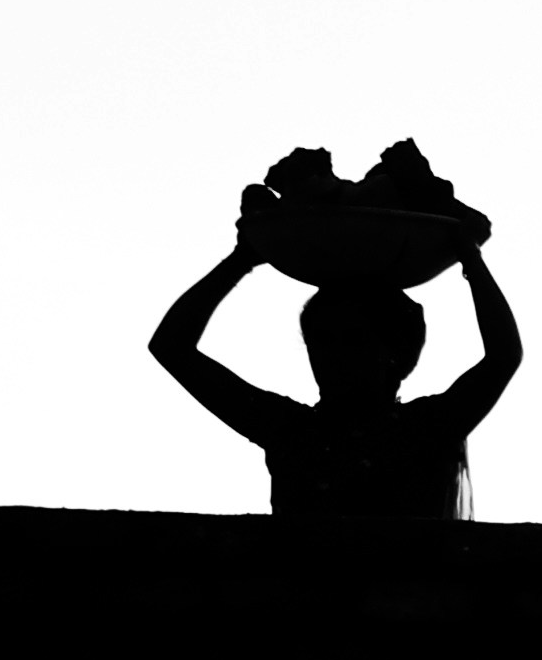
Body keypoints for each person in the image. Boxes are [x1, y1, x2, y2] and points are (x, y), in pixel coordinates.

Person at [148, 196, 520, 523]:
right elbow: (171, 347)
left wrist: (471, 259)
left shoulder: (427, 429)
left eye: (353, 341)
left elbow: (503, 355)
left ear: (397, 351)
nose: (333, 356)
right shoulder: (288, 429)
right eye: (321, 341)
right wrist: (240, 260)